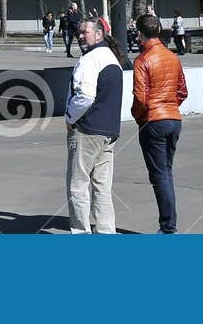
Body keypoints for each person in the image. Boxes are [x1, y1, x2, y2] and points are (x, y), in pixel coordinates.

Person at [64, 18, 123, 234]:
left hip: (87, 131)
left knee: (77, 186)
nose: (80, 36)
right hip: (109, 132)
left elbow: (85, 97)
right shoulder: (112, 58)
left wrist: (70, 118)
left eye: (84, 32)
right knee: (102, 188)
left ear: (98, 34)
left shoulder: (90, 59)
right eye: (78, 32)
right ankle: (106, 233)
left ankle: (81, 233)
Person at [133, 12, 188, 233]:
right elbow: (182, 91)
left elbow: (140, 98)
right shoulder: (172, 57)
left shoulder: (143, 60)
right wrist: (170, 106)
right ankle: (169, 225)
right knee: (165, 171)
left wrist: (139, 116)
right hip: (173, 119)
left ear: (140, 34)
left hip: (153, 120)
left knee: (159, 175)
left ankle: (168, 228)